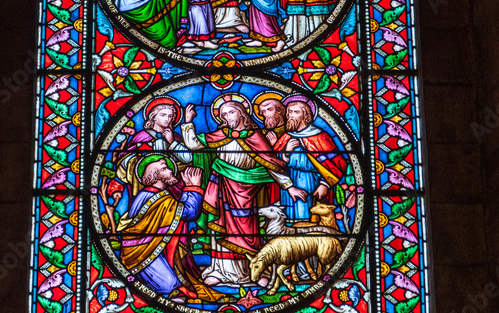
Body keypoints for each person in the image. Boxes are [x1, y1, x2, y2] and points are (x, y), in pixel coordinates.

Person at [181, 96, 306, 286]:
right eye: (223, 114)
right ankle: (220, 271)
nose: (227, 117)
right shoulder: (220, 135)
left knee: (250, 231)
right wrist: (188, 122)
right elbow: (193, 144)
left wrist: (289, 186)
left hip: (249, 191)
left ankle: (255, 271)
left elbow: (270, 163)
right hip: (223, 188)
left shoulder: (255, 136)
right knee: (222, 229)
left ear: (242, 113)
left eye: (231, 112)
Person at [116, 156, 204, 299]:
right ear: (155, 176)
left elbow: (176, 212)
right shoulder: (155, 198)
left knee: (174, 287)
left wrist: (188, 188)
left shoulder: (152, 195)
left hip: (148, 251)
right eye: (164, 168)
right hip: (143, 256)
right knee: (169, 287)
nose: (170, 171)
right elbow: (189, 212)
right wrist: (194, 186)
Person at [273, 96, 347, 222]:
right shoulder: (286, 137)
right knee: (288, 221)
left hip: (311, 183)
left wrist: (325, 184)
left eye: (296, 112)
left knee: (308, 219)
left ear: (306, 115)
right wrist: (286, 153)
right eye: (289, 112)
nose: (291, 115)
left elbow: (337, 163)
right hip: (289, 184)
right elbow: (274, 164)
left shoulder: (319, 136)